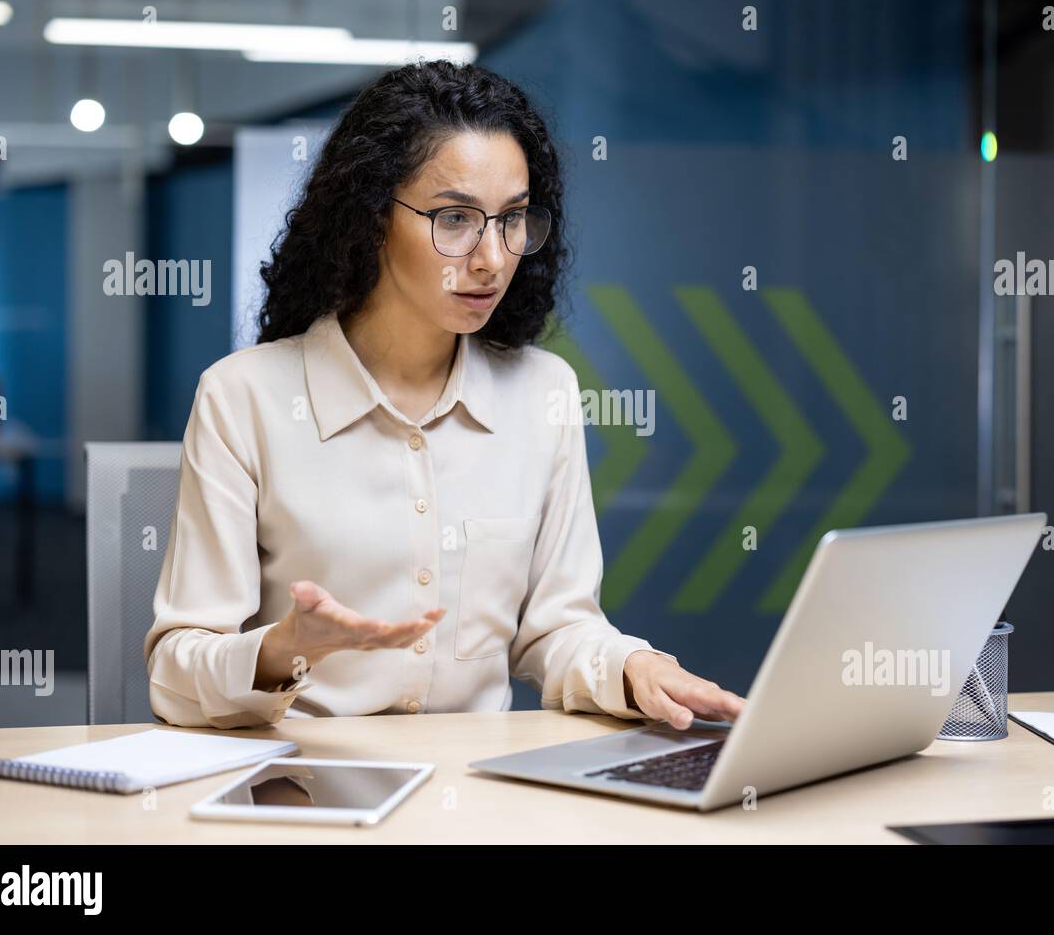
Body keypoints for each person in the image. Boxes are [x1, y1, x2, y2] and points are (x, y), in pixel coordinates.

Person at [143, 59, 746, 731]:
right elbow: (175, 668)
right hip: (303, 791)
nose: (491, 257)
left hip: (481, 797)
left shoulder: (544, 392)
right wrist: (281, 651)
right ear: (371, 216)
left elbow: (557, 629)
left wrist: (632, 666)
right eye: (455, 217)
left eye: (512, 218)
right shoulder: (242, 398)